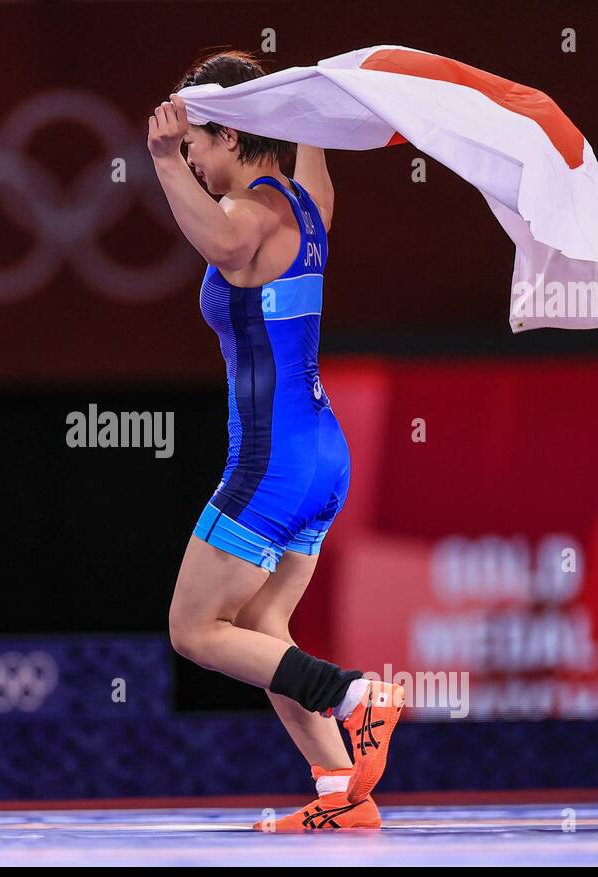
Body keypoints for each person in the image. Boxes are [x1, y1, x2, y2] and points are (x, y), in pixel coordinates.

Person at [147, 50, 405, 831]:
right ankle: (340, 794)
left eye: (197, 140)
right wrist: (306, 110)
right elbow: (315, 171)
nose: (191, 152)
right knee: (261, 633)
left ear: (230, 137)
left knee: (193, 631)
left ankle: (357, 694)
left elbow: (223, 249)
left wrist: (161, 163)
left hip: (273, 463)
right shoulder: (306, 202)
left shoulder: (252, 215)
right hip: (323, 457)